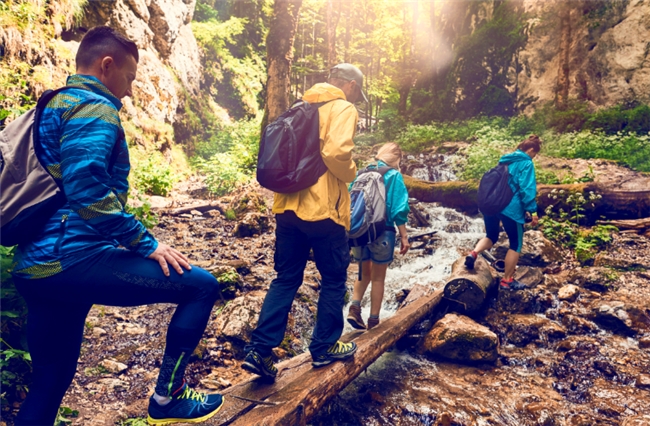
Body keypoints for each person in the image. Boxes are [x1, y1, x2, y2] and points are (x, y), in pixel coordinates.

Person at [11, 27, 224, 426]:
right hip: (72, 259)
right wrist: (146, 243)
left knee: (49, 382)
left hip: (36, 265)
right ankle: (169, 398)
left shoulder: (54, 105)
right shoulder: (94, 109)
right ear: (106, 66)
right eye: (128, 78)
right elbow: (87, 191)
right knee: (201, 286)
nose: (128, 91)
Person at [241, 63, 367, 380]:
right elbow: (337, 153)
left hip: (287, 207)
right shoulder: (343, 107)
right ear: (350, 85)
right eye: (358, 91)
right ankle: (324, 346)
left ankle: (260, 351)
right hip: (324, 209)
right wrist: (352, 172)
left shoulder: (301, 106)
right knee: (334, 279)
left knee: (285, 278)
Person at [346, 143, 411, 330]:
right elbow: (399, 209)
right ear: (397, 158)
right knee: (378, 278)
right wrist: (404, 236)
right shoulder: (394, 176)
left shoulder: (361, 174)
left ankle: (354, 308)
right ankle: (373, 320)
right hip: (383, 231)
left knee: (362, 272)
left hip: (359, 231)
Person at [464, 135, 542, 289]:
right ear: (531, 150)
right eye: (535, 154)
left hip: (492, 205)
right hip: (510, 208)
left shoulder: (505, 160)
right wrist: (532, 211)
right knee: (516, 243)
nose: (534, 157)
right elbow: (526, 188)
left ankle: (473, 253)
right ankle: (507, 280)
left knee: (491, 236)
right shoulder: (526, 163)